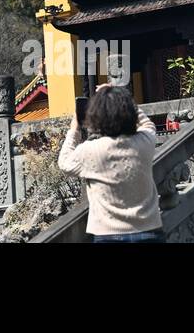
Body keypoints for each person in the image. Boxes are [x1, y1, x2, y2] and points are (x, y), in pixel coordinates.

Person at [57, 85, 164, 243]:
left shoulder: (90, 150)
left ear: (96, 117)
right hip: (149, 231)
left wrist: (74, 129)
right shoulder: (144, 142)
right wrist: (124, 100)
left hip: (108, 235)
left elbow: (64, 162)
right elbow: (147, 125)